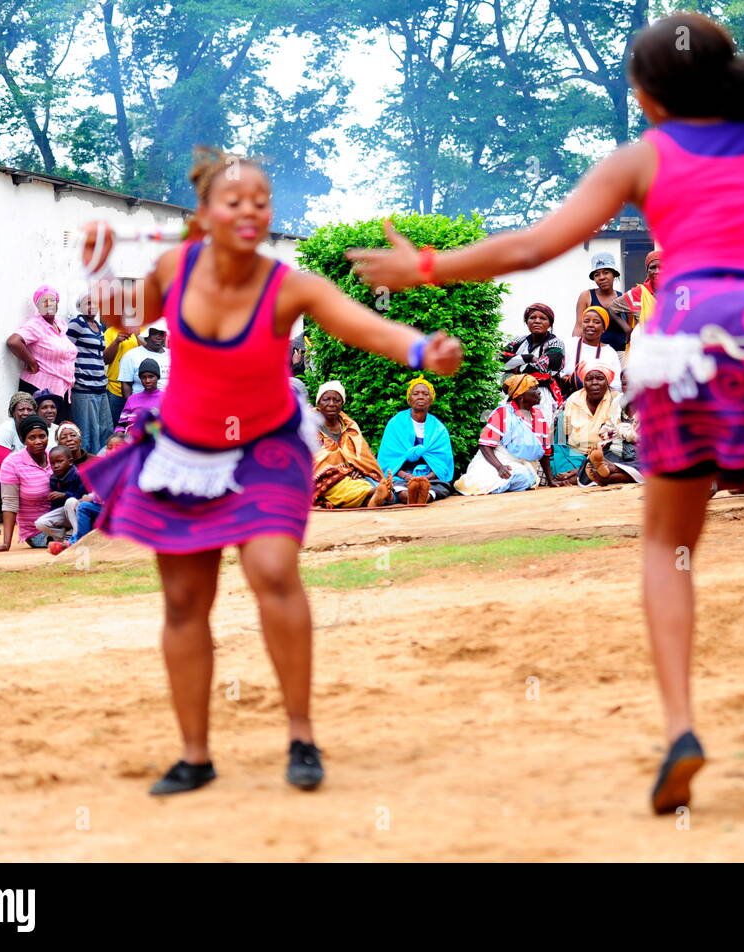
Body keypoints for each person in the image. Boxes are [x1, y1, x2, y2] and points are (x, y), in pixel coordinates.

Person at [346, 12, 744, 815]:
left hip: (683, 344)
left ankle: (682, 727)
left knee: (668, 549)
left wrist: (426, 265)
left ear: (646, 98)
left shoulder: (642, 156)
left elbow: (531, 247)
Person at [77, 146, 462, 796]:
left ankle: (301, 735)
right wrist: (100, 261)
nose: (251, 211)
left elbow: (367, 328)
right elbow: (119, 311)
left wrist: (424, 348)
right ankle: (195, 755)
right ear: (204, 215)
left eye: (261, 200)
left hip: (267, 450)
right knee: (181, 601)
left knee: (273, 571)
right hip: (183, 454)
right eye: (235, 201)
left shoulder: (290, 285)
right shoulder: (175, 267)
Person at [453, 374, 554, 494]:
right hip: (495, 462)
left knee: (524, 477)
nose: (539, 392)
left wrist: (550, 480)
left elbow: (545, 452)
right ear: (521, 397)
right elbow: (485, 445)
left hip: (524, 467)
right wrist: (500, 467)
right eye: (534, 389)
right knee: (479, 481)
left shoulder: (539, 416)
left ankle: (497, 486)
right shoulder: (502, 413)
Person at [552, 360, 640, 486]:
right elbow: (607, 431)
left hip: (637, 452)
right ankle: (600, 472)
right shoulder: (574, 400)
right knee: (592, 463)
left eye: (600, 378)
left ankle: (609, 473)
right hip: (591, 452)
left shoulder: (617, 398)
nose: (594, 383)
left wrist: (620, 429)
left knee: (652, 464)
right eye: (625, 384)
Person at [310, 380, 393, 509]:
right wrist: (342, 472)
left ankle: (373, 499)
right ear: (318, 402)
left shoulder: (350, 426)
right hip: (321, 478)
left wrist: (357, 469)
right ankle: (374, 492)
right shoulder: (308, 425)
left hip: (352, 475)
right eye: (326, 399)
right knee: (341, 485)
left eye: (336, 400)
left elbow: (363, 458)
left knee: (359, 484)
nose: (331, 404)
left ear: (342, 403)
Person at [0, 414, 54, 550]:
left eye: (42, 436)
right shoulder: (12, 463)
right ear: (23, 440)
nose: (38, 441)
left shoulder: (55, 457)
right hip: (37, 532)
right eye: (32, 438)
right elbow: (9, 503)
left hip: (61, 522)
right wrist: (6, 544)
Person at [377, 377, 454, 505]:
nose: (420, 397)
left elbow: (443, 463)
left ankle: (426, 495)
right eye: (415, 393)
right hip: (401, 475)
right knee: (396, 486)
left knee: (442, 486)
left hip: (429, 477)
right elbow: (388, 460)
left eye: (425, 394)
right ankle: (407, 495)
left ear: (431, 399)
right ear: (409, 399)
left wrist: (427, 478)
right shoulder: (396, 424)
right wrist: (407, 476)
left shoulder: (438, 428)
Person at [7, 285, 76, 420]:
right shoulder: (36, 325)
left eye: (52, 300)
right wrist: (31, 362)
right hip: (40, 389)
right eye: (44, 301)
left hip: (60, 389)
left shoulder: (60, 325)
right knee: (42, 431)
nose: (49, 304)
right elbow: (13, 342)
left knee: (58, 432)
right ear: (38, 306)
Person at [66, 291, 114, 455]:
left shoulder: (99, 327)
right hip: (84, 389)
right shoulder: (76, 324)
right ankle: (85, 473)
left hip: (100, 387)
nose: (91, 306)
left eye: (94, 303)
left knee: (105, 431)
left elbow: (101, 356)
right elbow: (66, 352)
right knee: (86, 434)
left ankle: (101, 468)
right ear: (79, 307)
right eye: (87, 303)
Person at [500, 303, 565, 424]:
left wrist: (516, 368)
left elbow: (547, 368)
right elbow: (500, 361)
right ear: (527, 321)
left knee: (539, 429)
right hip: (515, 393)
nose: (537, 321)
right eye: (532, 318)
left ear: (550, 324)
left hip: (541, 394)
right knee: (511, 427)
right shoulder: (518, 341)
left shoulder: (556, 343)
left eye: (543, 318)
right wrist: (528, 358)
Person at [0, 391, 37, 499]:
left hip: (17, 477)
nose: (26, 413)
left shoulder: (32, 430)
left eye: (29, 409)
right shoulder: (7, 429)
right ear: (13, 412)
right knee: (32, 486)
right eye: (21, 409)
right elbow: (0, 466)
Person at [561, 305, 623, 396]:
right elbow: (556, 374)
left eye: (596, 322)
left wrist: (596, 385)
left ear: (604, 328)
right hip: (570, 398)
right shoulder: (569, 345)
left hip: (600, 401)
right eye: (586, 321)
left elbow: (617, 384)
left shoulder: (609, 352)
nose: (590, 325)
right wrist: (571, 380)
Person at [35, 444, 88, 541]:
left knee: (70, 501)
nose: (56, 466)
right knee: (40, 523)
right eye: (53, 463)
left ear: (70, 462)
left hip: (78, 511)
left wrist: (65, 495)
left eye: (60, 462)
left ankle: (79, 537)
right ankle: (64, 537)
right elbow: (55, 505)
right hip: (64, 512)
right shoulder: (53, 478)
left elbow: (83, 497)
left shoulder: (78, 475)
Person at [573, 252, 627, 348]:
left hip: (621, 354)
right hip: (594, 353)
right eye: (597, 274)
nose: (602, 277)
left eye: (606, 273)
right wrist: (575, 351)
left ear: (614, 274)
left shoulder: (623, 298)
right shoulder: (586, 296)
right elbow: (579, 326)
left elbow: (631, 329)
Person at [117, 321, 171, 396]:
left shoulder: (172, 355)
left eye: (161, 334)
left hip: (169, 402)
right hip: (142, 404)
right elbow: (126, 384)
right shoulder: (131, 355)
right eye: (154, 333)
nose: (158, 336)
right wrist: (131, 404)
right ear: (147, 336)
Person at [102, 326, 141, 425]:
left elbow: (150, 354)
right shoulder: (111, 331)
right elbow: (105, 360)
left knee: (137, 426)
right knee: (114, 427)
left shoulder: (144, 330)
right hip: (115, 389)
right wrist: (116, 341)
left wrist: (138, 336)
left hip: (139, 390)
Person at [113, 359, 164, 434]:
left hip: (156, 440)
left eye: (151, 377)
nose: (147, 381)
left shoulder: (166, 398)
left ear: (158, 377)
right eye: (144, 377)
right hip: (131, 439)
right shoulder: (132, 399)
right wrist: (119, 436)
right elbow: (121, 426)